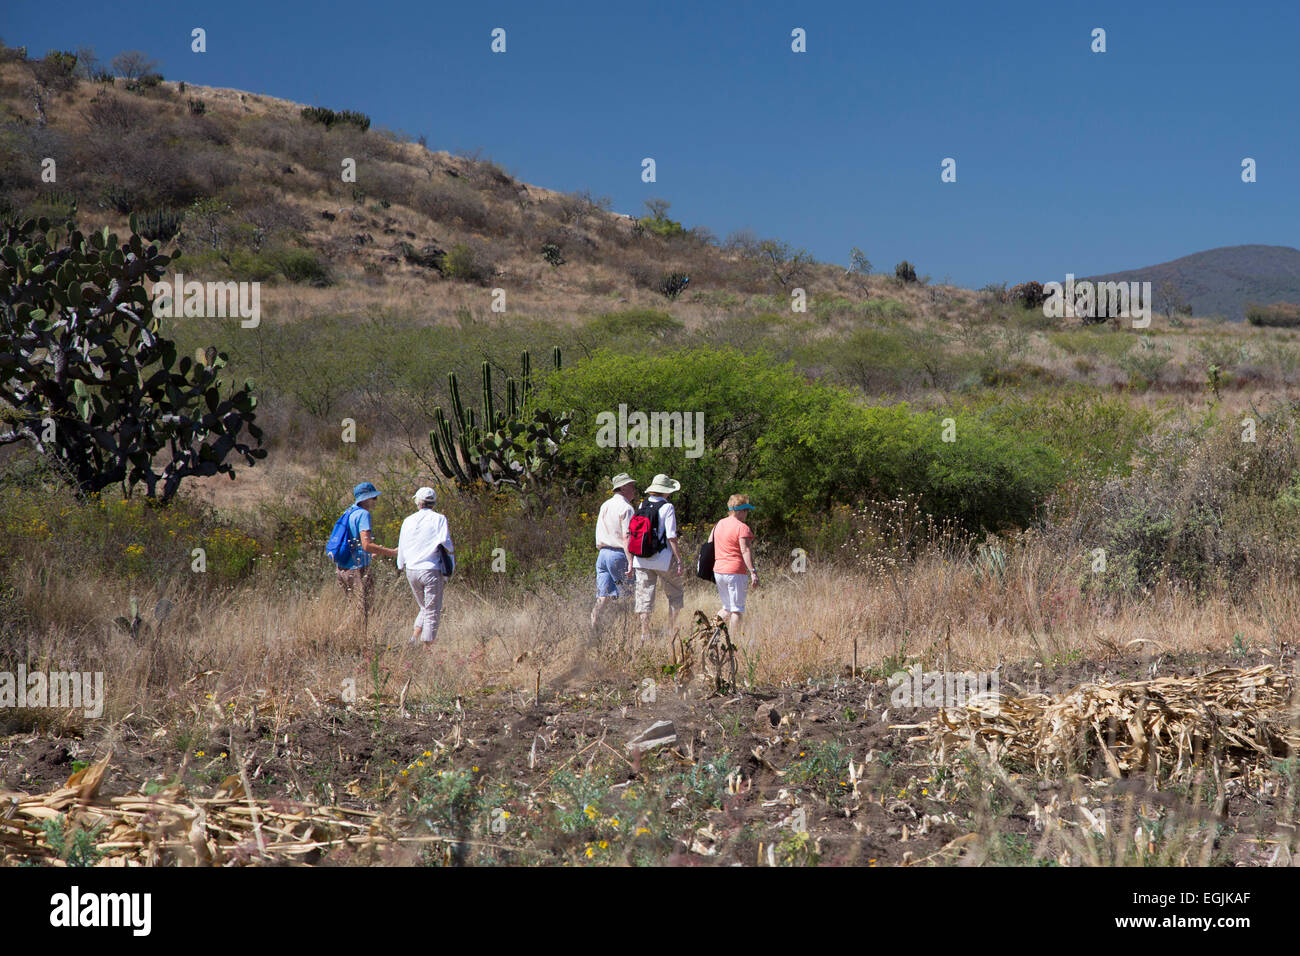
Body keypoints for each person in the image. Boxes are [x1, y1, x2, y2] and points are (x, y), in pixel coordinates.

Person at [396, 486, 453, 648]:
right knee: (432, 610)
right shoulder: (439, 519)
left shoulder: (408, 520)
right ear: (433, 503)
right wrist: (449, 567)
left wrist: (400, 564)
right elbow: (446, 543)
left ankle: (414, 638)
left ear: (418, 502)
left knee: (425, 606)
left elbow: (402, 544)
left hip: (411, 569)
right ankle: (427, 648)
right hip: (430, 569)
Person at [334, 481, 397, 625]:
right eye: (374, 497)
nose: (376, 501)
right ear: (366, 498)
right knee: (362, 612)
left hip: (342, 568)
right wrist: (392, 552)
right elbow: (366, 545)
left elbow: (355, 543)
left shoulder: (349, 511)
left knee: (354, 609)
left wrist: (371, 553)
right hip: (357, 569)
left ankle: (347, 642)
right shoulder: (363, 515)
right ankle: (337, 639)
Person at [632, 473, 684, 643]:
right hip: (662, 558)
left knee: (644, 596)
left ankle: (644, 633)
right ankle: (670, 630)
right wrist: (679, 559)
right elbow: (671, 536)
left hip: (640, 558)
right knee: (675, 593)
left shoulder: (642, 504)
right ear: (666, 492)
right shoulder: (667, 507)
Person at [591, 473, 637, 628]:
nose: (634, 489)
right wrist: (631, 561)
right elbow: (627, 536)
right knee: (628, 594)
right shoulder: (626, 508)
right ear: (623, 487)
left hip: (602, 555)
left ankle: (594, 626)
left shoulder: (605, 505)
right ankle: (628, 629)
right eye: (631, 486)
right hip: (618, 555)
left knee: (603, 596)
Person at [709, 494, 758, 634]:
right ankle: (732, 642)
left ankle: (710, 632)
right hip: (735, 571)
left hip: (719, 571)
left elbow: (709, 544)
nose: (747, 514)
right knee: (737, 610)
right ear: (740, 511)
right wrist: (753, 572)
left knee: (727, 608)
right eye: (746, 511)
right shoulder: (742, 527)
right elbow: (745, 550)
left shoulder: (719, 524)